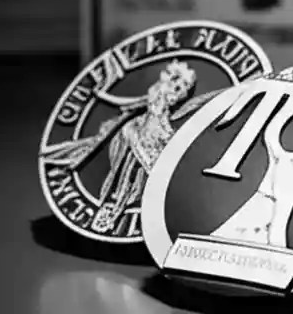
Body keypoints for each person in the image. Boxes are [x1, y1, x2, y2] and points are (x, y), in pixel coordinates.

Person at [39, 61, 214, 235]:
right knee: (129, 159)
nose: (178, 88)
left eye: (184, 85)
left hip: (158, 134)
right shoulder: (153, 95)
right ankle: (114, 207)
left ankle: (125, 204)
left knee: (146, 171)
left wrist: (226, 95)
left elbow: (195, 104)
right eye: (177, 80)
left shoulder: (175, 104)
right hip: (140, 131)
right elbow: (127, 103)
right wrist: (100, 94)